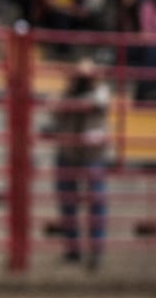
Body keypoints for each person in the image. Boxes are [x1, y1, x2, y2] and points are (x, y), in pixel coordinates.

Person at [53, 59, 108, 270]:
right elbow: (54, 107)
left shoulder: (100, 92)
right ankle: (72, 249)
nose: (82, 79)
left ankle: (96, 249)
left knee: (96, 204)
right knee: (68, 204)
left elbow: (96, 102)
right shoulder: (66, 93)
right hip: (68, 154)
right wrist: (71, 89)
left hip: (92, 156)